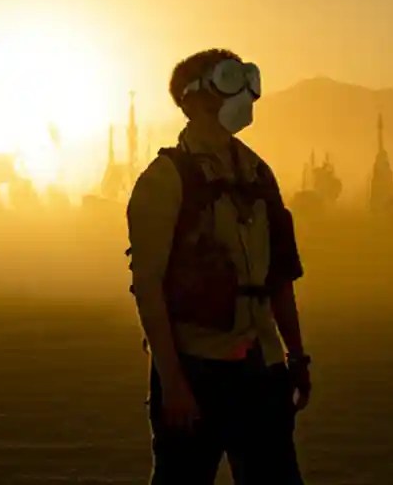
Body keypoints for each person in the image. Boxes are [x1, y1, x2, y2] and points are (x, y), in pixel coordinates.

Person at [127, 49, 311, 484]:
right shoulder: (165, 179)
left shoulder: (258, 174)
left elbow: (279, 277)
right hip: (196, 367)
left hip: (261, 369)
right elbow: (148, 288)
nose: (242, 95)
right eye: (226, 81)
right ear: (190, 100)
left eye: (247, 80)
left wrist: (297, 357)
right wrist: (172, 383)